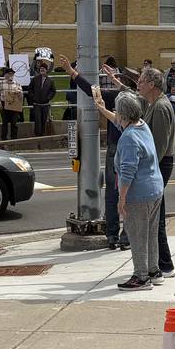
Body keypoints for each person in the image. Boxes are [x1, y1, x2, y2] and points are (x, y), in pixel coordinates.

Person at [61, 52, 128, 249]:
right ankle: (125, 236)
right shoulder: (137, 99)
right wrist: (115, 78)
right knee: (129, 196)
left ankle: (112, 235)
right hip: (130, 150)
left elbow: (91, 90)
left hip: (116, 149)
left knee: (113, 195)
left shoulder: (117, 97)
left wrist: (71, 72)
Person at [97, 90, 164, 289]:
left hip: (138, 194)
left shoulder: (128, 138)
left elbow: (127, 172)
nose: (115, 114)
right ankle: (153, 270)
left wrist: (121, 199)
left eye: (117, 111)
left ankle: (141, 277)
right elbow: (118, 122)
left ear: (123, 114)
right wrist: (102, 108)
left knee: (136, 235)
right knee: (150, 233)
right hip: (155, 189)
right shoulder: (142, 126)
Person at [136, 67, 175, 278]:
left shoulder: (160, 107)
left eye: (141, 81)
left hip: (160, 164)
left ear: (152, 85)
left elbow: (159, 146)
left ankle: (165, 265)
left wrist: (148, 171)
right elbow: (133, 97)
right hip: (158, 164)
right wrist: (116, 82)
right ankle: (160, 263)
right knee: (155, 216)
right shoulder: (153, 103)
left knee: (156, 217)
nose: (138, 84)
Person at [28, 61, 57, 136]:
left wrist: (48, 98)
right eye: (41, 68)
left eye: (43, 68)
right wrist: (33, 97)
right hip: (36, 103)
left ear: (46, 70)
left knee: (44, 120)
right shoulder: (35, 79)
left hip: (45, 104)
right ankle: (37, 134)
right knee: (37, 120)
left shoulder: (50, 81)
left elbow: (53, 91)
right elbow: (30, 89)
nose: (42, 70)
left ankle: (43, 134)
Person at [0, 68, 25, 140]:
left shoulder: (16, 83)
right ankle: (4, 138)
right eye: (9, 74)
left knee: (14, 122)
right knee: (5, 122)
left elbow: (21, 93)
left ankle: (14, 138)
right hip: (4, 103)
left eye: (12, 74)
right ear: (5, 75)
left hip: (14, 104)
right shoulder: (1, 82)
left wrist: (20, 93)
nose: (11, 75)